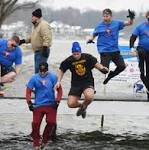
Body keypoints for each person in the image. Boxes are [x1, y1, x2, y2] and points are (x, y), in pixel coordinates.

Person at [55, 41, 108, 119]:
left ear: (80, 52)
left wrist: (103, 69)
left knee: (89, 97)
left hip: (87, 82)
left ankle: (84, 106)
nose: (76, 55)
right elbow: (61, 70)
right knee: (70, 104)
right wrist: (58, 81)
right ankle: (82, 107)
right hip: (76, 84)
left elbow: (98, 65)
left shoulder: (88, 57)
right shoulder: (69, 60)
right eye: (74, 54)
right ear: (72, 53)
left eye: (77, 53)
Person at [87, 8, 135, 84]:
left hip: (115, 50)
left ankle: (111, 75)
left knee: (122, 67)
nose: (105, 17)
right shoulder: (99, 26)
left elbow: (129, 23)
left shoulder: (117, 23)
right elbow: (94, 34)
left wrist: (131, 18)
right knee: (104, 70)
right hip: (104, 50)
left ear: (111, 16)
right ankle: (95, 64)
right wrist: (90, 39)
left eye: (107, 16)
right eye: (104, 16)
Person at [26, 62, 62, 150]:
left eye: (44, 71)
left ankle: (45, 140)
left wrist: (57, 101)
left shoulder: (53, 77)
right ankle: (36, 142)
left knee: (51, 122)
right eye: (41, 71)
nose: (42, 73)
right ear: (39, 70)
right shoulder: (34, 78)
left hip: (51, 104)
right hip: (38, 104)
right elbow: (28, 91)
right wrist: (29, 103)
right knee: (35, 123)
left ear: (47, 70)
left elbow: (60, 90)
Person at [20, 8, 52, 73]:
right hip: (37, 52)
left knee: (40, 71)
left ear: (36, 17)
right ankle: (38, 82)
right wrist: (23, 41)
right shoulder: (36, 26)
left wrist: (45, 47)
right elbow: (32, 38)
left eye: (32, 16)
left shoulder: (43, 25)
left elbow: (47, 37)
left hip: (42, 50)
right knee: (37, 71)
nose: (31, 18)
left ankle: (42, 82)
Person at [129, 11, 149, 100]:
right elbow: (133, 37)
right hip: (142, 49)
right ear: (146, 17)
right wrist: (132, 48)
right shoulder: (140, 26)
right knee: (142, 73)